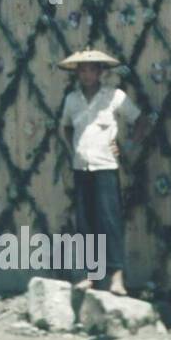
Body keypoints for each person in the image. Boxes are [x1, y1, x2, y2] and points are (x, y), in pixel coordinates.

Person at [58, 49, 149, 296]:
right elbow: (66, 127)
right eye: (82, 70)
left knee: (109, 222)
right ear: (77, 73)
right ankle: (90, 275)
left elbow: (141, 119)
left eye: (91, 69)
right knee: (85, 223)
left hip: (106, 167)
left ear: (100, 72)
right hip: (81, 168)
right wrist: (74, 148)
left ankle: (117, 278)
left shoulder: (114, 97)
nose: (86, 74)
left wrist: (127, 145)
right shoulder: (72, 100)